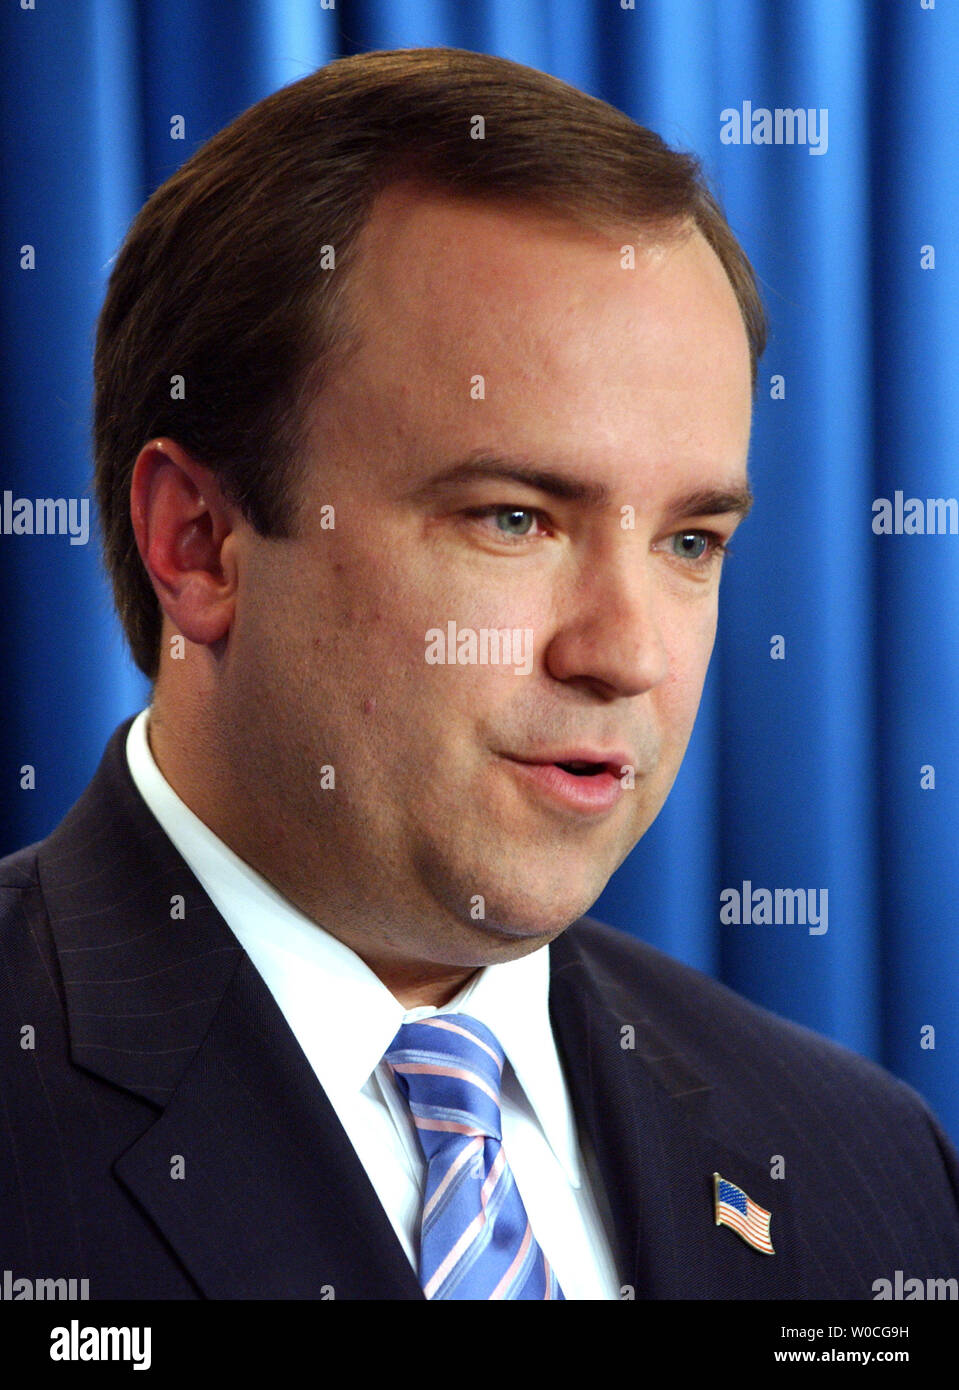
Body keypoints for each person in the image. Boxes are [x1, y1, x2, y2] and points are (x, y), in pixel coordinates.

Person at [1, 46, 957, 1302]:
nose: (625, 654)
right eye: (513, 518)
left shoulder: (870, 1165)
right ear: (200, 542)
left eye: (688, 541)